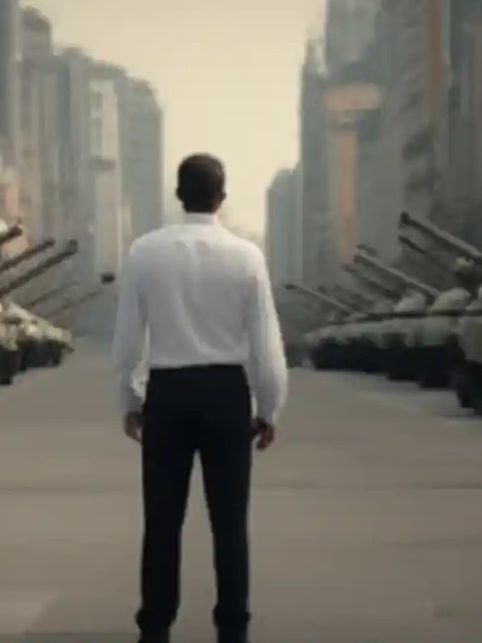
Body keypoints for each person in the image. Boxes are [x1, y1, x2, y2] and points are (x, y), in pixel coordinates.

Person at [113, 153, 289, 643]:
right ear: (222, 197)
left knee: (162, 521)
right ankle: (232, 629)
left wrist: (130, 400)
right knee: (230, 523)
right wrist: (269, 408)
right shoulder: (246, 256)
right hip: (226, 394)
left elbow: (128, 338)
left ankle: (155, 626)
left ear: (177, 194)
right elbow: (266, 342)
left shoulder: (145, 252)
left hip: (167, 394)